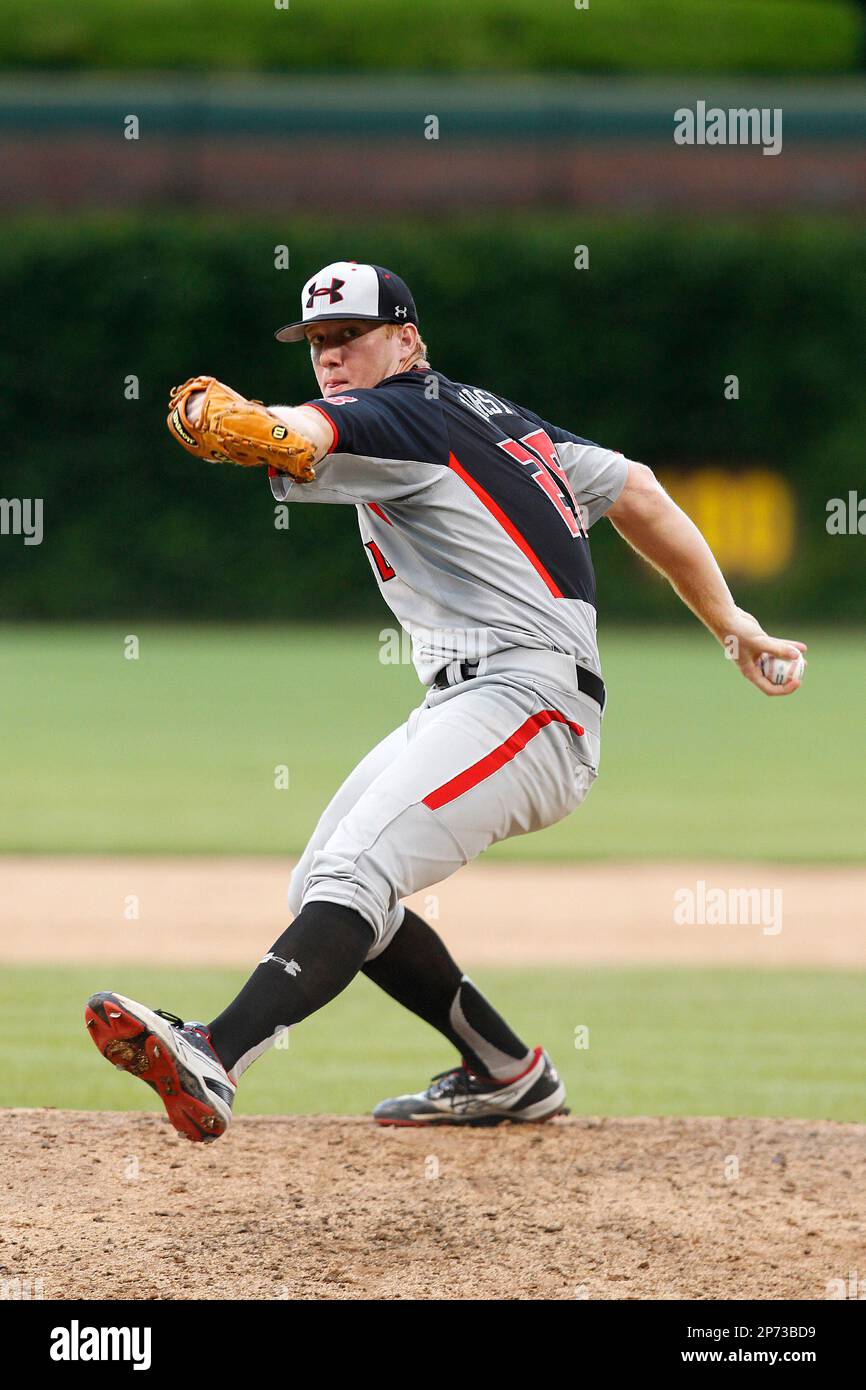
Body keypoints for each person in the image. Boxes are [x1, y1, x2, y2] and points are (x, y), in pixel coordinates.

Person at [85, 260, 806, 1141]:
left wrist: (252, 423)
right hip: (486, 701)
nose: (331, 357)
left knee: (356, 873)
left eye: (348, 336)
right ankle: (506, 1072)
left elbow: (302, 433)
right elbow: (635, 488)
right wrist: (732, 620)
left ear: (407, 340)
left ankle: (215, 1053)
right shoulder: (496, 419)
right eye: (316, 342)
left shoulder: (397, 411)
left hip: (528, 700)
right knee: (326, 885)